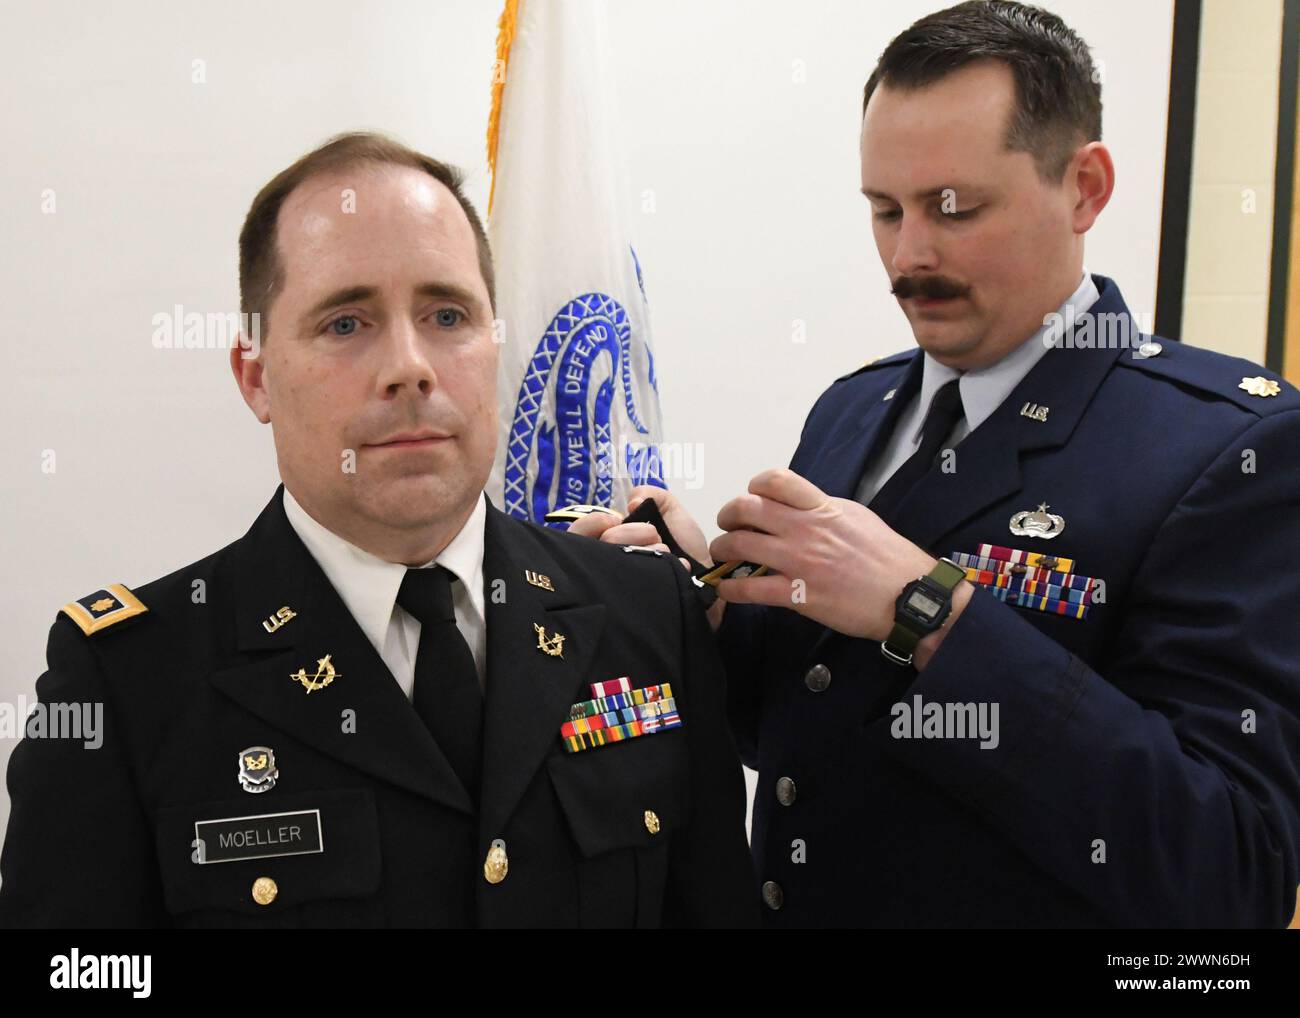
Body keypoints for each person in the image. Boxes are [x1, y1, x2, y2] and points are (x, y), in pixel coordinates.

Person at [572, 1, 1300, 927]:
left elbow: (1232, 874)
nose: (908, 255)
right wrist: (698, 606)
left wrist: (932, 613)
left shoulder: (1226, 450)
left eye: (955, 208)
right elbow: (802, 726)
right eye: (886, 210)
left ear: (1084, 187)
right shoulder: (854, 409)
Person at [0, 132, 758, 929]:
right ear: (256, 376)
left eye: (446, 314)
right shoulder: (130, 680)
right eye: (346, 324)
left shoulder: (646, 618)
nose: (410, 365)